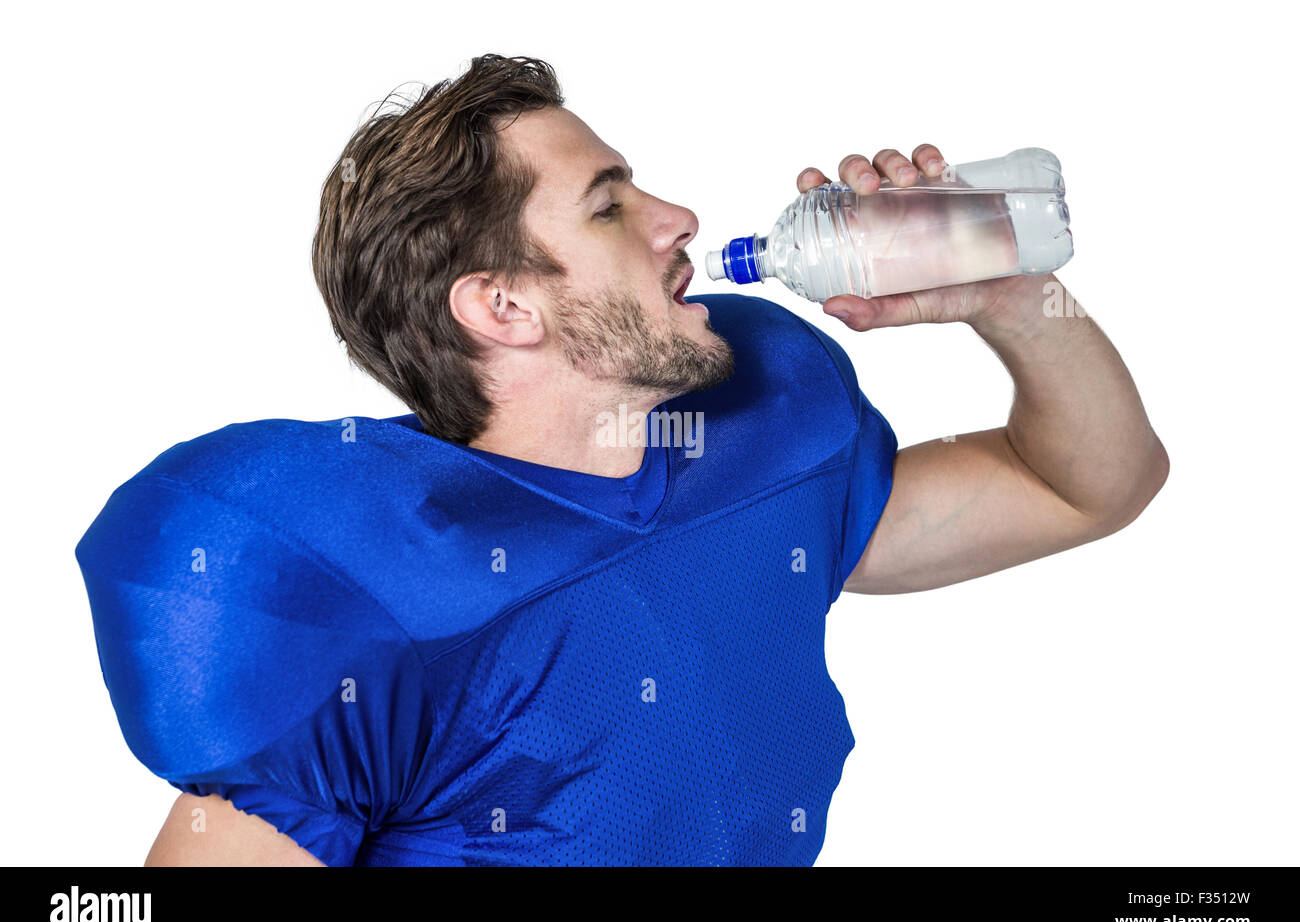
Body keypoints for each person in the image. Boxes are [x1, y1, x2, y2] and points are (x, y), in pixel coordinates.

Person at [74, 54, 1168, 866]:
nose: (677, 218)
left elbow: (1085, 485)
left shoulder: (754, 451)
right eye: (609, 205)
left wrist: (1009, 296)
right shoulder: (371, 585)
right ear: (501, 304)